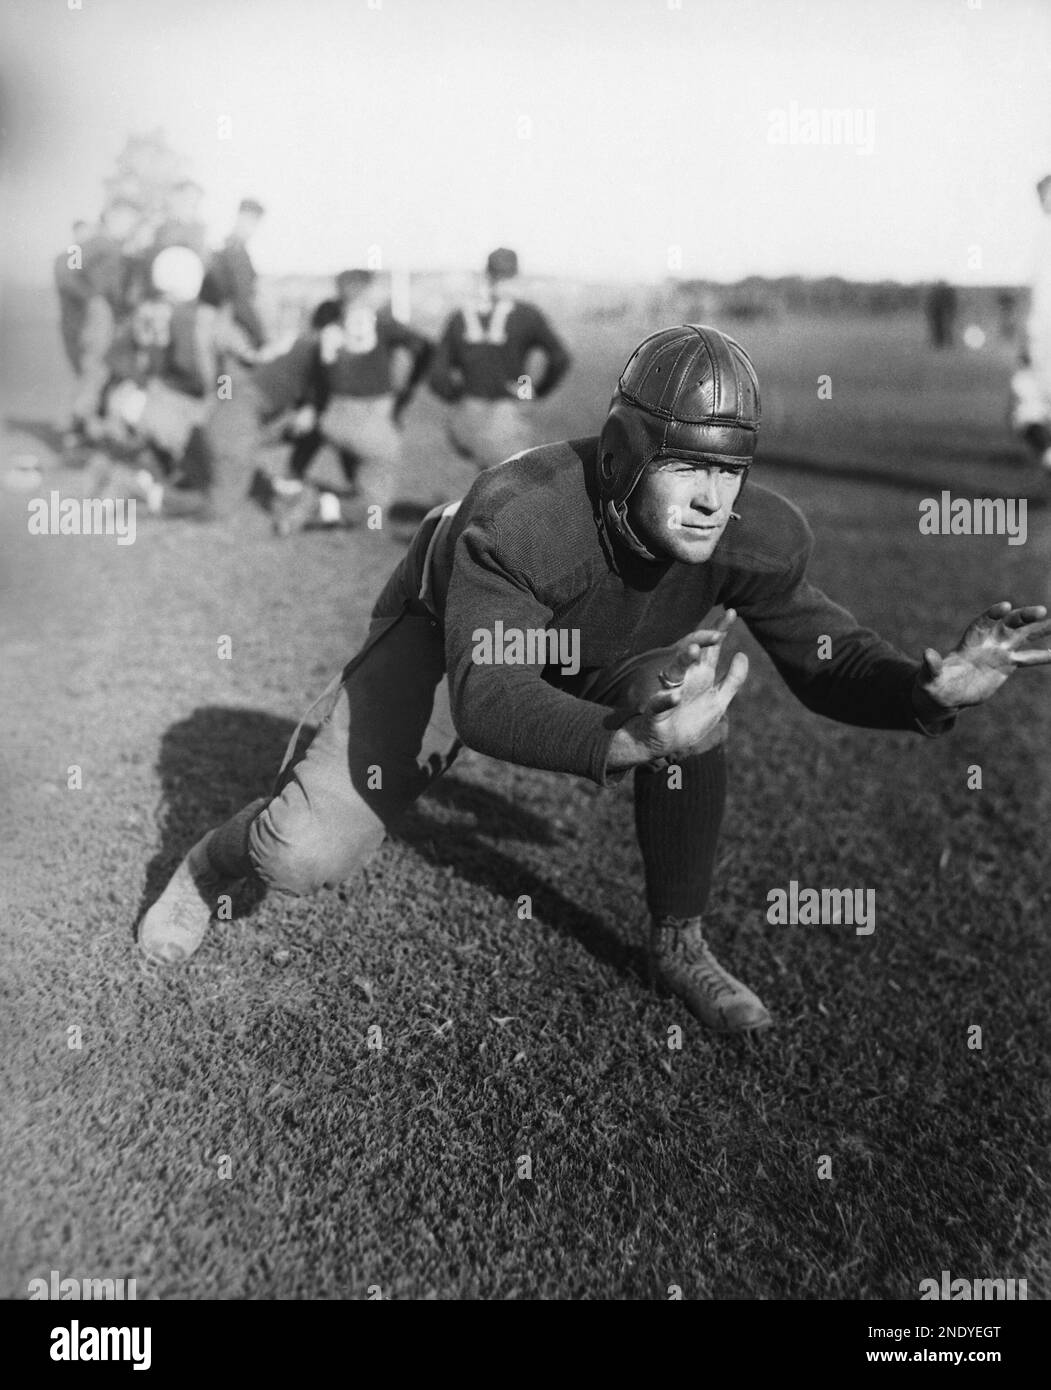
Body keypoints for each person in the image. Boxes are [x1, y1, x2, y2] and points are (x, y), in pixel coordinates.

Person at [138, 324, 1051, 1033]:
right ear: (621, 455)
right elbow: (490, 697)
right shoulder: (523, 519)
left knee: (681, 693)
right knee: (307, 853)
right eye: (687, 465)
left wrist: (922, 691)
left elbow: (826, 656)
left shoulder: (746, 530)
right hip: (449, 632)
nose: (711, 496)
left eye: (728, 468)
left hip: (608, 640)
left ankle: (678, 944)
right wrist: (632, 743)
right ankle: (207, 863)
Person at [271, 269, 433, 535]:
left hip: (333, 417)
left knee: (364, 473)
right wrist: (405, 390)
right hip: (370, 419)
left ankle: (297, 489)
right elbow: (425, 346)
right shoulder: (382, 324)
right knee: (374, 507)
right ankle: (320, 505)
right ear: (367, 291)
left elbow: (315, 377)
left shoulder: (328, 330)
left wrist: (311, 407)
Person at [428, 247, 572, 469]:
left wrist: (457, 396)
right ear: (516, 275)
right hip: (507, 412)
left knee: (483, 473)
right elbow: (560, 358)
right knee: (507, 483)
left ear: (487, 274)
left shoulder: (459, 315)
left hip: (469, 410)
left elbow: (437, 374)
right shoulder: (526, 314)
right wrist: (538, 391)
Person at [57, 200, 141, 446]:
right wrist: (93, 299)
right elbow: (65, 268)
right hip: (97, 319)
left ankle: (83, 427)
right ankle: (74, 430)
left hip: (107, 316)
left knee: (100, 371)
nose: (130, 226)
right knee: (95, 370)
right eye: (126, 219)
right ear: (112, 217)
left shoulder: (112, 246)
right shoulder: (98, 243)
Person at [1010, 175, 1051, 472]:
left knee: (1028, 407)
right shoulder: (1042, 237)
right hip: (1041, 338)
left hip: (1044, 341)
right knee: (1026, 407)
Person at [206, 198, 267, 356]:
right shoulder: (236, 252)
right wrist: (261, 339)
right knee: (226, 379)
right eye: (251, 221)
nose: (252, 228)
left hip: (219, 329)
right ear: (240, 218)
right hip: (227, 330)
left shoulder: (227, 247)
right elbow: (241, 302)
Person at [925, 280, 958, 349]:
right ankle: (942, 344)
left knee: (943, 328)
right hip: (939, 313)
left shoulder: (936, 293)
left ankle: (943, 343)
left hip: (940, 312)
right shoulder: (946, 292)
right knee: (941, 328)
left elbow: (930, 304)